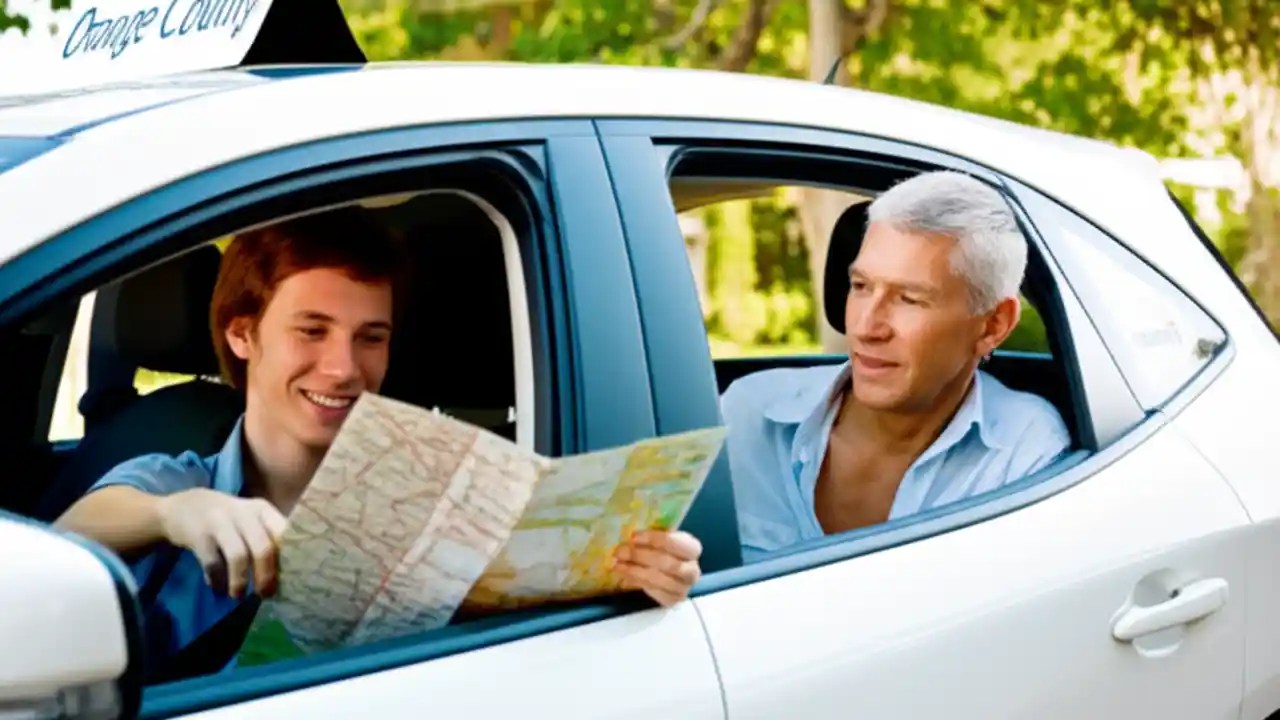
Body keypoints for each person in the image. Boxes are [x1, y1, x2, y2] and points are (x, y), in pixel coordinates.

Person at [55, 205, 703, 671]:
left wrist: (640, 570)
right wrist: (175, 515)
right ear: (242, 334)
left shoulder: (447, 501)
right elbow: (71, 534)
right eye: (311, 331)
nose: (344, 368)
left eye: (371, 337)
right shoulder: (180, 480)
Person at [721, 171, 1071, 562]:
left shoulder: (1023, 454)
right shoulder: (746, 415)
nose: (866, 328)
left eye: (909, 299)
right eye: (861, 287)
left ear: (993, 325)